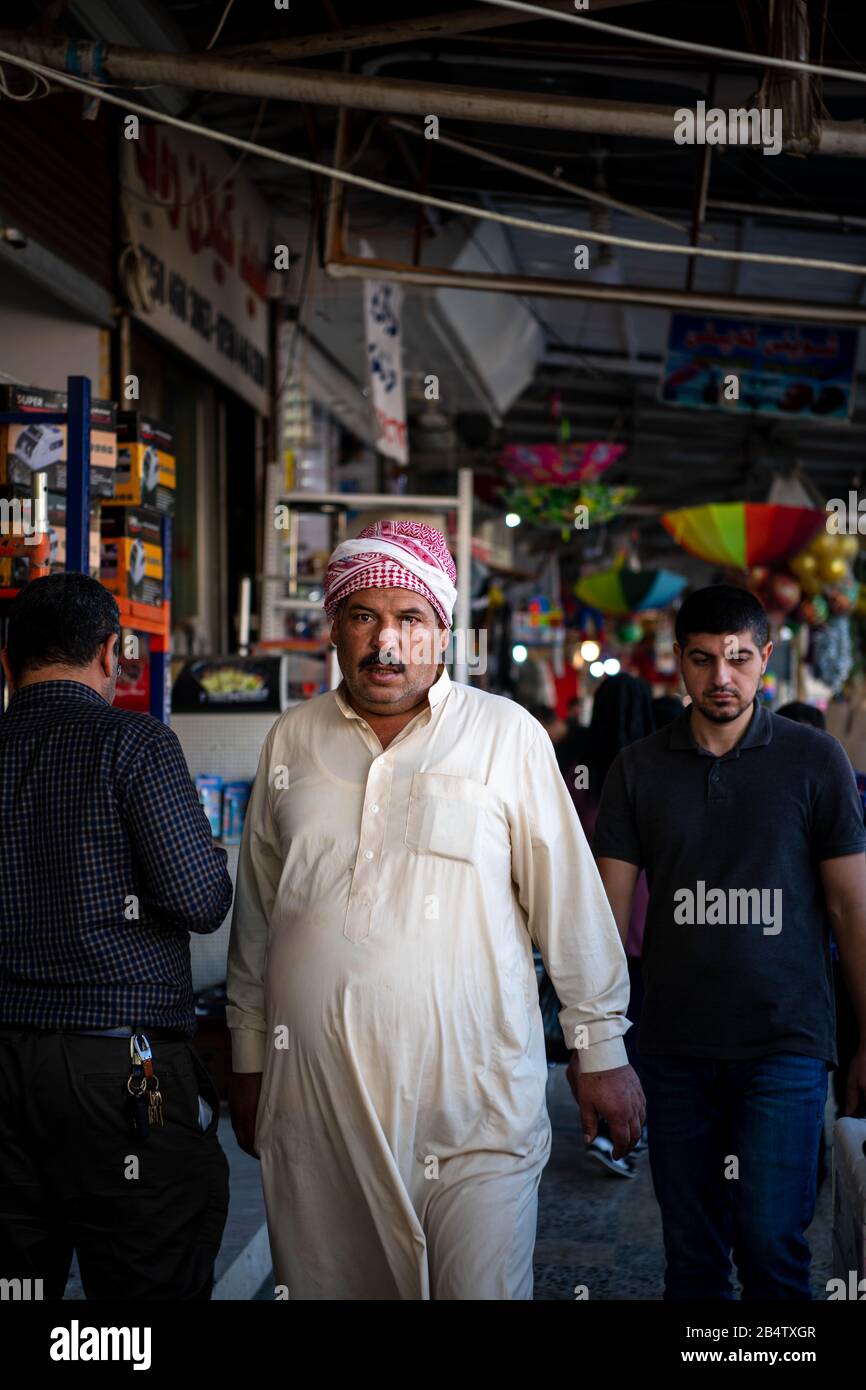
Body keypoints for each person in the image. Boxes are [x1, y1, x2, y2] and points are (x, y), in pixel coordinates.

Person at [227, 520, 644, 1301]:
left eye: (409, 619)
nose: (386, 642)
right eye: (364, 616)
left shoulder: (505, 737)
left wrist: (602, 1048)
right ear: (335, 629)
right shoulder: (292, 741)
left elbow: (571, 902)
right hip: (319, 1109)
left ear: (443, 634)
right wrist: (249, 1059)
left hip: (475, 1108)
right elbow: (260, 912)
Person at [593, 585, 866, 1300]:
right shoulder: (639, 768)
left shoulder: (815, 761)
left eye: (740, 658)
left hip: (787, 1044)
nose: (723, 677)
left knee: (773, 1249)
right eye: (705, 659)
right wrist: (599, 1047)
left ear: (765, 659)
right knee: (692, 1260)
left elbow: (850, 908)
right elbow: (606, 921)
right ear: (677, 662)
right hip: (674, 1049)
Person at [0, 573, 233, 1301]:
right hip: (115, 1069)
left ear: (7, 662)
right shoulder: (133, 744)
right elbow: (201, 901)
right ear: (110, 652)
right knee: (146, 1284)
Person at [567, 673, 655, 1178]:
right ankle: (628, 1130)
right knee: (635, 1024)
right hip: (647, 915)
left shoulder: (579, 762)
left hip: (590, 915)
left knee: (595, 1019)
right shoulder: (652, 760)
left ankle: (605, 1128)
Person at [777, 701, 863, 1128]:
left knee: (849, 1070)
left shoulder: (853, 788)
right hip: (796, 964)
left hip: (843, 955)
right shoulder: (763, 795)